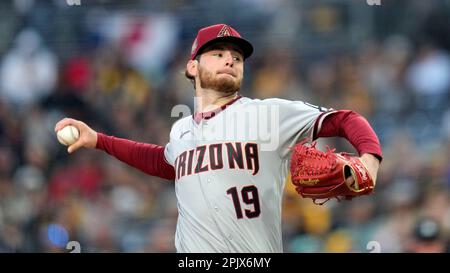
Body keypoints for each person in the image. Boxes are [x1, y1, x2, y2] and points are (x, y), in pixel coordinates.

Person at [55, 24, 382, 253]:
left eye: (237, 57)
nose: (230, 59)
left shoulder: (266, 114)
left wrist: (369, 159)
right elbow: (164, 162)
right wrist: (98, 139)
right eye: (218, 53)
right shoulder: (181, 130)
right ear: (192, 67)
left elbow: (345, 120)